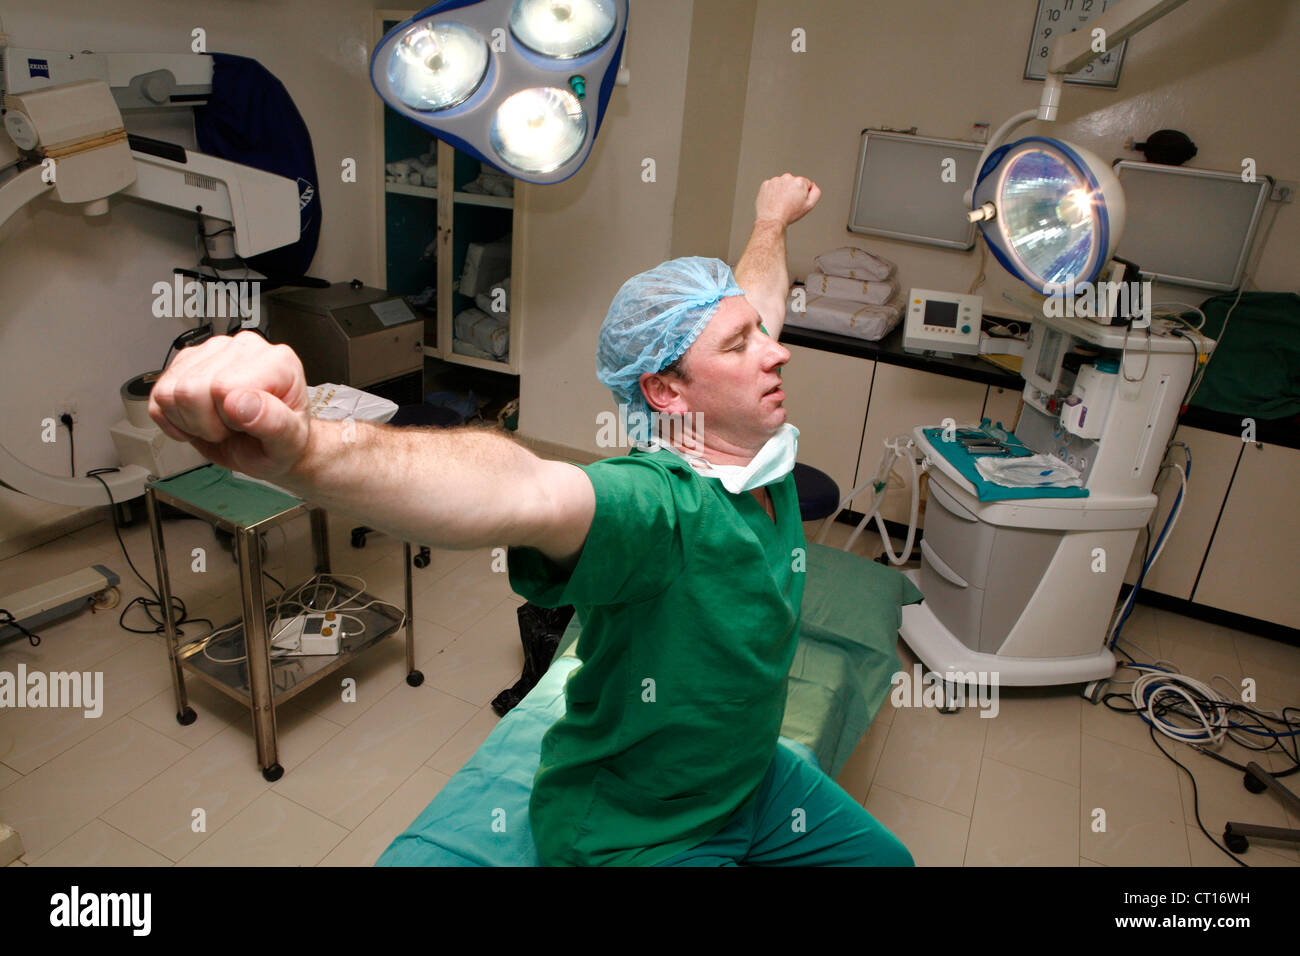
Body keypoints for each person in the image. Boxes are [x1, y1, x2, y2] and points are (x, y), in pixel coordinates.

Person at [149, 174, 913, 868]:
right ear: (669, 394)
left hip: (749, 777)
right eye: (742, 346)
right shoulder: (661, 502)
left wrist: (771, 218)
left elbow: (756, 297)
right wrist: (308, 448)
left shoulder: (752, 443)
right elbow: (525, 490)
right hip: (642, 825)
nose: (775, 355)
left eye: (762, 334)